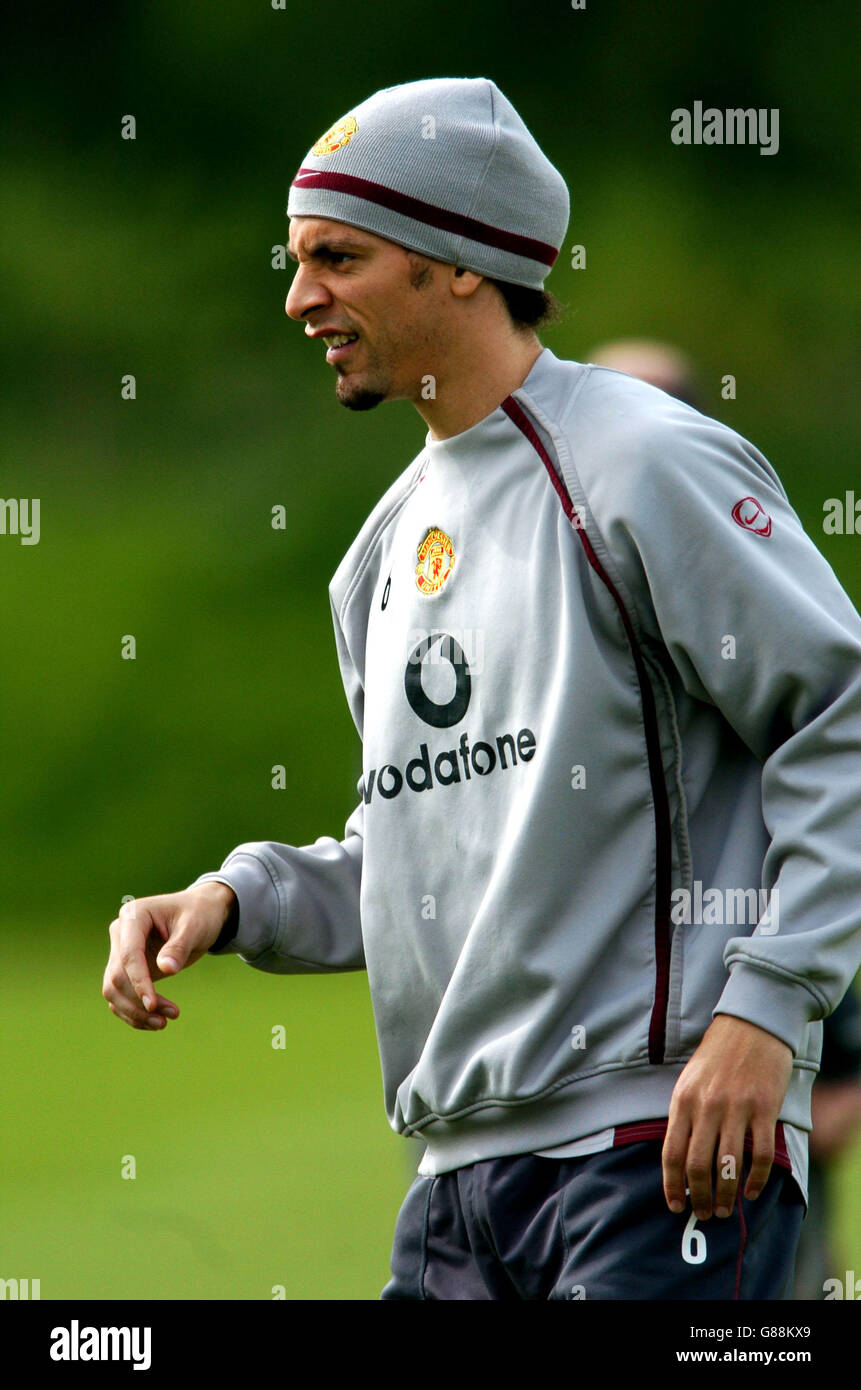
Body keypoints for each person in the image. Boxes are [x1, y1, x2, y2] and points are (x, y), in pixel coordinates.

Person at [102, 77, 861, 1300]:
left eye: (337, 257)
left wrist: (765, 1015)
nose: (301, 299)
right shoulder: (378, 556)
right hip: (456, 1189)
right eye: (299, 261)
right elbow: (421, 845)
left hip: (660, 1150)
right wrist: (237, 898)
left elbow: (841, 716)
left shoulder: (640, 458)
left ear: (458, 260)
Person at [587, 337, 861, 1301]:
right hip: (613, 1119)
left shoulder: (747, 585)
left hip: (763, 1070)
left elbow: (831, 794)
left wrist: (794, 1030)